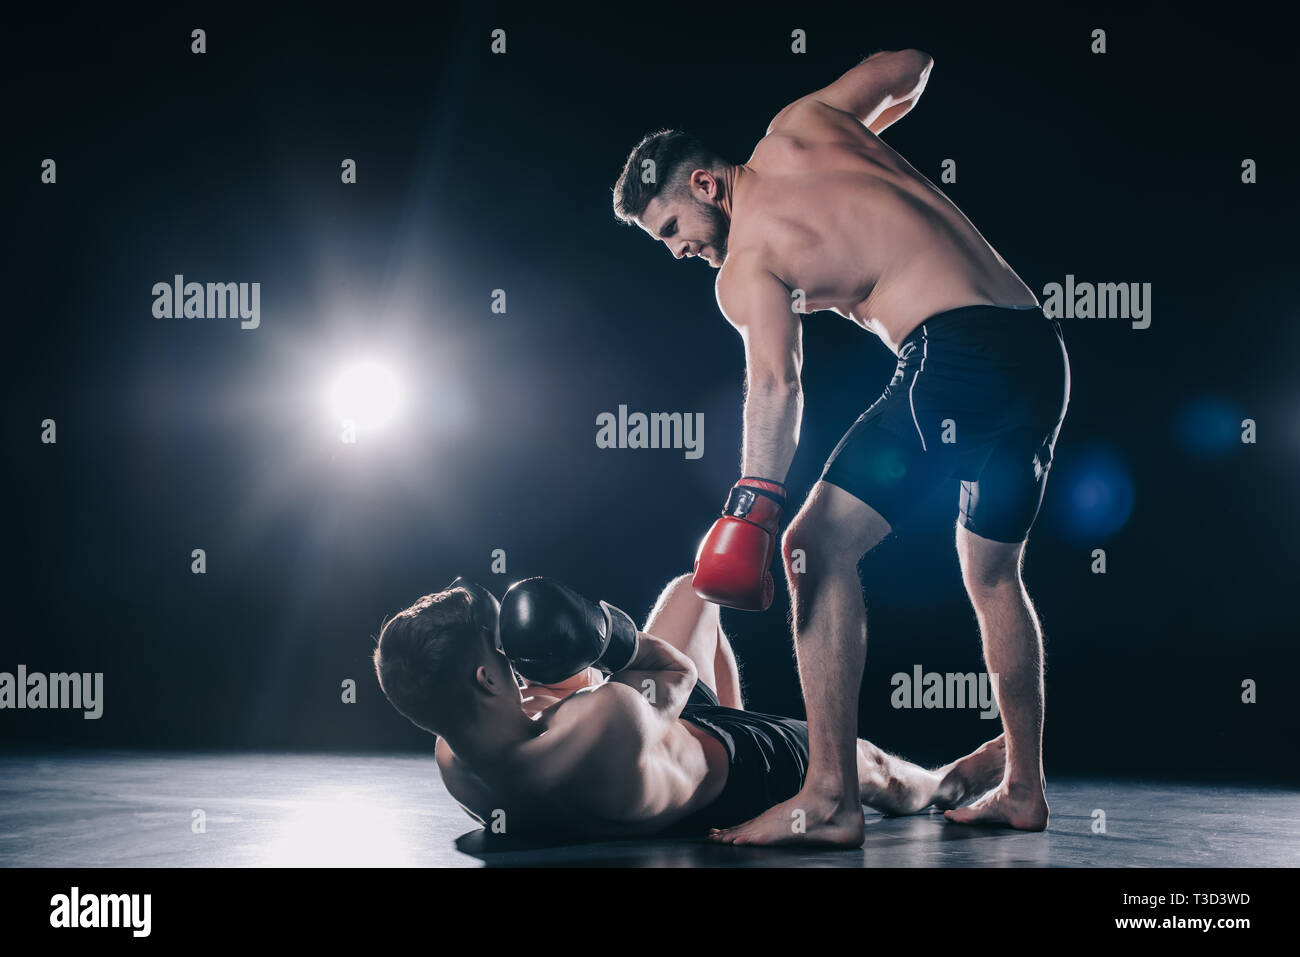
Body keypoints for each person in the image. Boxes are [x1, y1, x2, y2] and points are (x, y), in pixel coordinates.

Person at [611, 49, 1069, 843]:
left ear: (707, 184)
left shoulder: (746, 263)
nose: (679, 251)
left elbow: (779, 386)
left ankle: (829, 797)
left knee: (810, 549)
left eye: (674, 228)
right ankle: (1024, 787)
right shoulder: (809, 124)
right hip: (1035, 346)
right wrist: (868, 144)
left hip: (955, 356)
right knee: (993, 572)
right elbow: (909, 63)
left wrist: (752, 501)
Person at [373, 574, 1004, 841]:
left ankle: (745, 715)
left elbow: (538, 763)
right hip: (745, 767)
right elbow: (677, 670)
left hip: (650, 759)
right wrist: (599, 631)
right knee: (872, 769)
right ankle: (949, 785)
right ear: (487, 678)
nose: (512, 646)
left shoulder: (453, 755)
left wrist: (532, 697)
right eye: (499, 644)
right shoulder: (600, 720)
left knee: (694, 592)